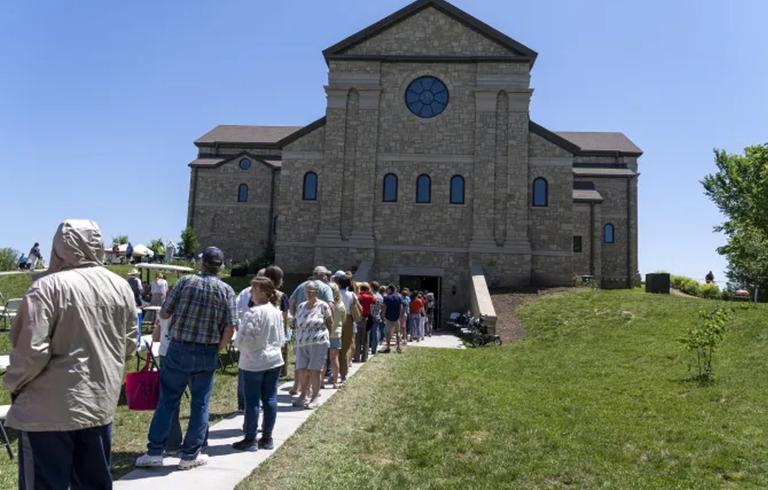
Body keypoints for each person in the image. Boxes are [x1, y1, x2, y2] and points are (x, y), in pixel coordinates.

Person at [5, 219, 136, 489]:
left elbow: (31, 353)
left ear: (60, 245)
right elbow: (129, 346)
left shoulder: (47, 288)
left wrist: (14, 384)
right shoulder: (121, 287)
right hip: (98, 404)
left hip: (46, 413)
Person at [135, 246, 238, 471]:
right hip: (207, 351)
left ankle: (155, 452)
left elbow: (164, 313)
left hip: (179, 348)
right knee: (200, 403)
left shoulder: (185, 282)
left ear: (202, 263)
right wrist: (217, 348)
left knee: (168, 400)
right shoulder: (226, 290)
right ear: (220, 266)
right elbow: (230, 327)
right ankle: (190, 454)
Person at [232, 276, 285, 451]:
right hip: (274, 358)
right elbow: (281, 337)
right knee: (270, 398)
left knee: (252, 400)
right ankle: (267, 437)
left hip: (254, 360)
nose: (250, 294)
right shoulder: (276, 311)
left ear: (262, 292)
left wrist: (237, 343)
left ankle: (250, 438)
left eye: (253, 290)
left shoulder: (254, 312)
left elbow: (245, 339)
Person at [293, 281, 332, 409]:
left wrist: (325, 338)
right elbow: (297, 323)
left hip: (318, 342)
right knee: (302, 369)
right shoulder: (301, 306)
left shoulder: (323, 306)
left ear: (317, 292)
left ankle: (315, 397)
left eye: (311, 291)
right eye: (306, 291)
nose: (308, 293)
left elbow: (329, 323)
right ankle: (303, 395)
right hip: (302, 342)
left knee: (315, 370)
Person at [152, 314, 182, 454]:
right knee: (199, 401)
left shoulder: (165, 309)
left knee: (169, 400)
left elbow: (156, 337)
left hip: (166, 353)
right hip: (185, 351)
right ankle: (199, 442)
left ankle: (172, 444)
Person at [328, 282, 345, 388]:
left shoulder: (325, 304)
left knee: (323, 359)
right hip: (336, 333)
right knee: (334, 359)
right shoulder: (341, 305)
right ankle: (335, 382)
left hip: (325, 333)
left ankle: (320, 383)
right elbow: (344, 319)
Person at [356, 283, 375, 362]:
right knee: (365, 338)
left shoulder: (357, 296)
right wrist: (371, 293)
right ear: (367, 289)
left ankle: (356, 357)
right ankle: (364, 357)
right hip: (366, 318)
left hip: (358, 318)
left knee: (357, 338)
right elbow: (374, 301)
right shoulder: (370, 297)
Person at [382, 285, 403, 353]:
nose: (387, 291)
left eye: (387, 289)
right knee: (398, 332)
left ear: (390, 289)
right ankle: (399, 346)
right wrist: (399, 316)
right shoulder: (399, 297)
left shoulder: (387, 297)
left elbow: (384, 308)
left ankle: (388, 347)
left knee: (388, 333)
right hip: (397, 318)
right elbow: (401, 308)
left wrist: (383, 315)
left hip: (388, 317)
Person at [369, 281, 383, 355]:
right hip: (378, 315)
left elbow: (371, 307)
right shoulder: (380, 296)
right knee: (377, 332)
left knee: (372, 334)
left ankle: (373, 349)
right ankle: (375, 348)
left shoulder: (373, 296)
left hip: (372, 316)